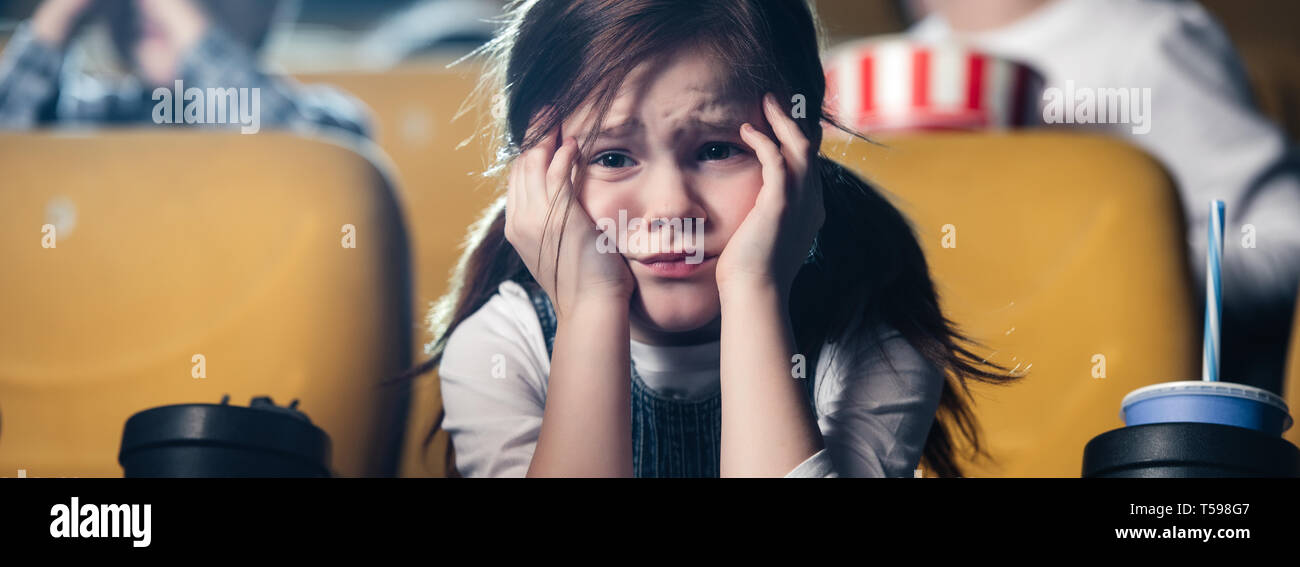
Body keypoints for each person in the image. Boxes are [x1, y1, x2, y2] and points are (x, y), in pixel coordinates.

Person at [400, 0, 1024, 478]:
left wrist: (754, 290)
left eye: (719, 149)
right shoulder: (505, 345)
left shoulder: (870, 331)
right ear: (537, 176)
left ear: (799, 153)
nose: (671, 209)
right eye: (613, 158)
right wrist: (591, 308)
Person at [909, 0, 1300, 395]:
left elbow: (1285, 244)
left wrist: (1131, 284)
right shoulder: (893, 69)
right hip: (945, 420)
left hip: (1132, 417)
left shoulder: (1149, 41)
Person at [0, 0, 371, 139]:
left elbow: (287, 148)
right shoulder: (102, 117)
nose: (148, 11)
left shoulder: (324, 118)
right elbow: (13, 151)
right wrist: (56, 20)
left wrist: (184, 21)